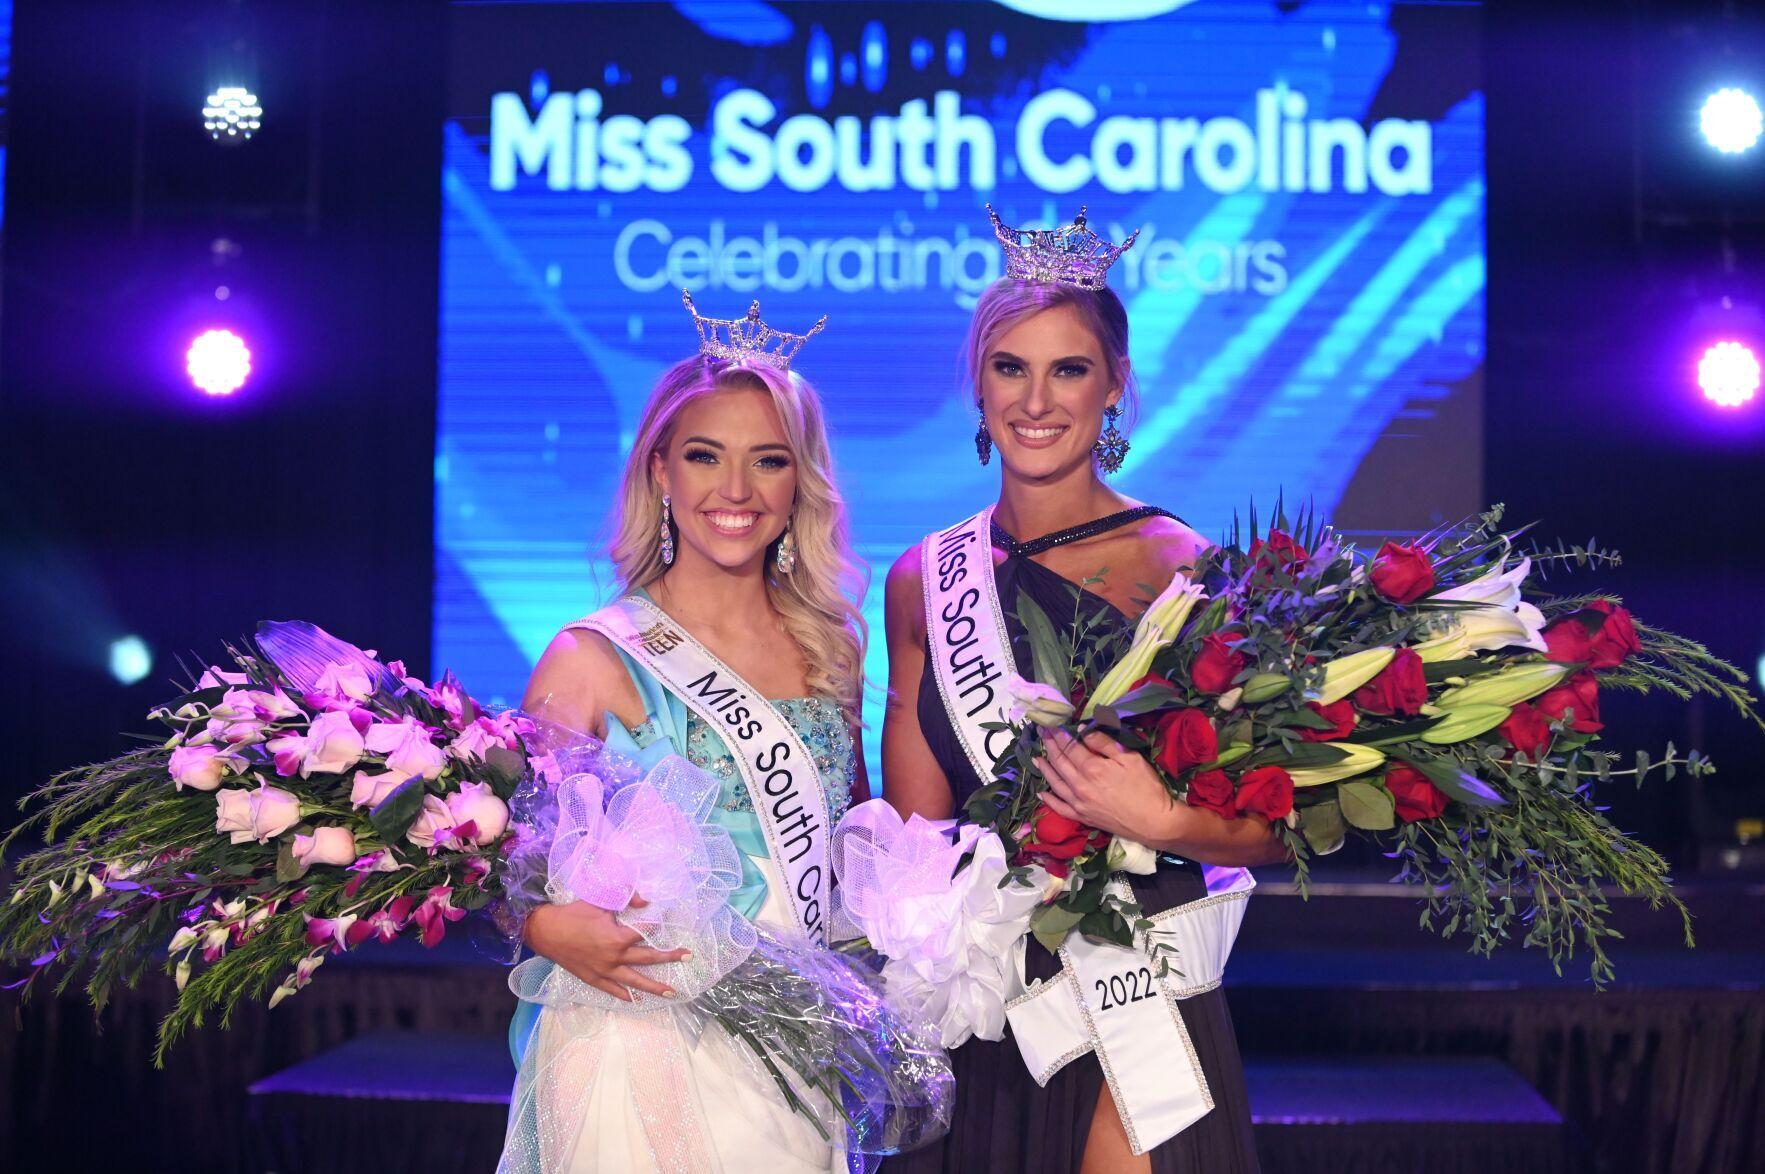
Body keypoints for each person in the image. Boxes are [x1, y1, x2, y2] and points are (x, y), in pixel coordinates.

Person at [880, 210, 1285, 1174]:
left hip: (1133, 976)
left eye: (1068, 369)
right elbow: (912, 840)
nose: (1036, 399)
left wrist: (1158, 816)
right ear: (977, 389)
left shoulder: (1181, 568)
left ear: (1113, 388)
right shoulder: (919, 579)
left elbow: (1276, 826)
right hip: (983, 999)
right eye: (1009, 368)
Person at [510, 291, 870, 1172]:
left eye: (769, 462)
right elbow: (511, 865)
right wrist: (543, 926)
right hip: (642, 1033)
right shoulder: (592, 657)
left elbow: (853, 844)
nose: (736, 491)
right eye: (705, 457)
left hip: (795, 1040)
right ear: (659, 472)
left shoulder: (832, 652)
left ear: (801, 483)